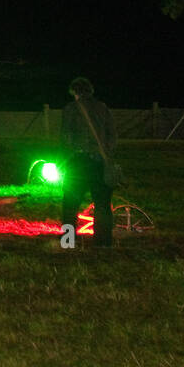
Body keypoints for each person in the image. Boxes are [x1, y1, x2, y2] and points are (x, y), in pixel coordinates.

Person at [60, 76, 117, 249]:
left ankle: (68, 241)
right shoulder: (103, 108)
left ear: (74, 92)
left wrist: (68, 155)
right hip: (100, 161)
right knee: (102, 204)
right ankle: (104, 242)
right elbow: (112, 135)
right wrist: (107, 154)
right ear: (90, 91)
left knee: (70, 204)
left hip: (78, 161)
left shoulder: (71, 109)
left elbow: (66, 136)